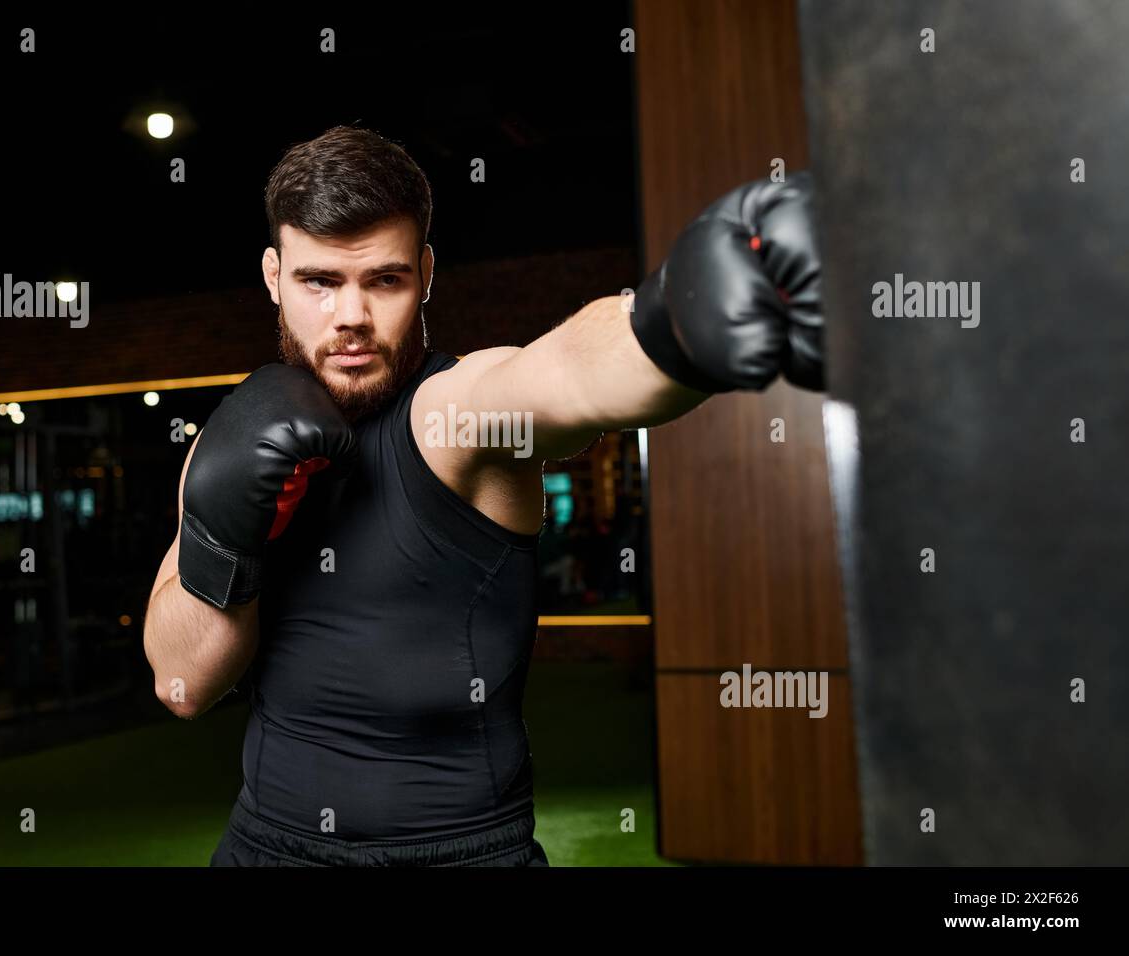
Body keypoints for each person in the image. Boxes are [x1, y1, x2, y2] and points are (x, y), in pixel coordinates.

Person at [142, 125, 824, 866]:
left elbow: (562, 377)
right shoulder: (234, 441)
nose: (351, 318)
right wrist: (227, 533)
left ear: (426, 273)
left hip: (456, 855)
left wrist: (674, 320)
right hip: (263, 848)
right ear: (273, 276)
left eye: (385, 280)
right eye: (319, 282)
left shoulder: (450, 415)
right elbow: (181, 682)